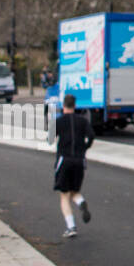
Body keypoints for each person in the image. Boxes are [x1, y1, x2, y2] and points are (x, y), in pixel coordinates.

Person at [54, 93, 94, 238]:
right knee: (74, 191)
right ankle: (81, 202)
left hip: (64, 160)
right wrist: (84, 147)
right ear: (75, 106)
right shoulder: (82, 121)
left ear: (63, 105)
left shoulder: (59, 121)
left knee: (64, 195)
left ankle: (71, 227)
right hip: (79, 160)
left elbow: (49, 138)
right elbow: (91, 136)